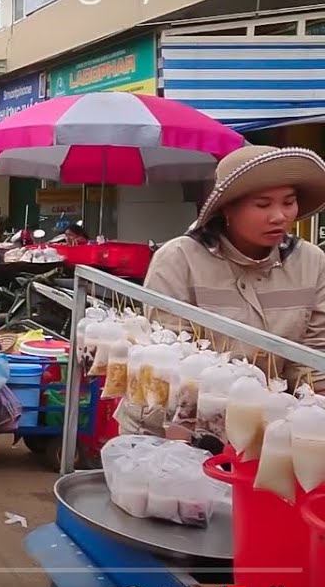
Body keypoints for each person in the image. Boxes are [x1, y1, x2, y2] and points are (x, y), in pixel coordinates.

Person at [122, 145, 325, 437]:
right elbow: (169, 362)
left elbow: (312, 355)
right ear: (227, 208)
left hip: (269, 433)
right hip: (174, 427)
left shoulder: (310, 261)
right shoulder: (179, 259)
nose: (279, 216)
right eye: (263, 205)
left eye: (288, 202)